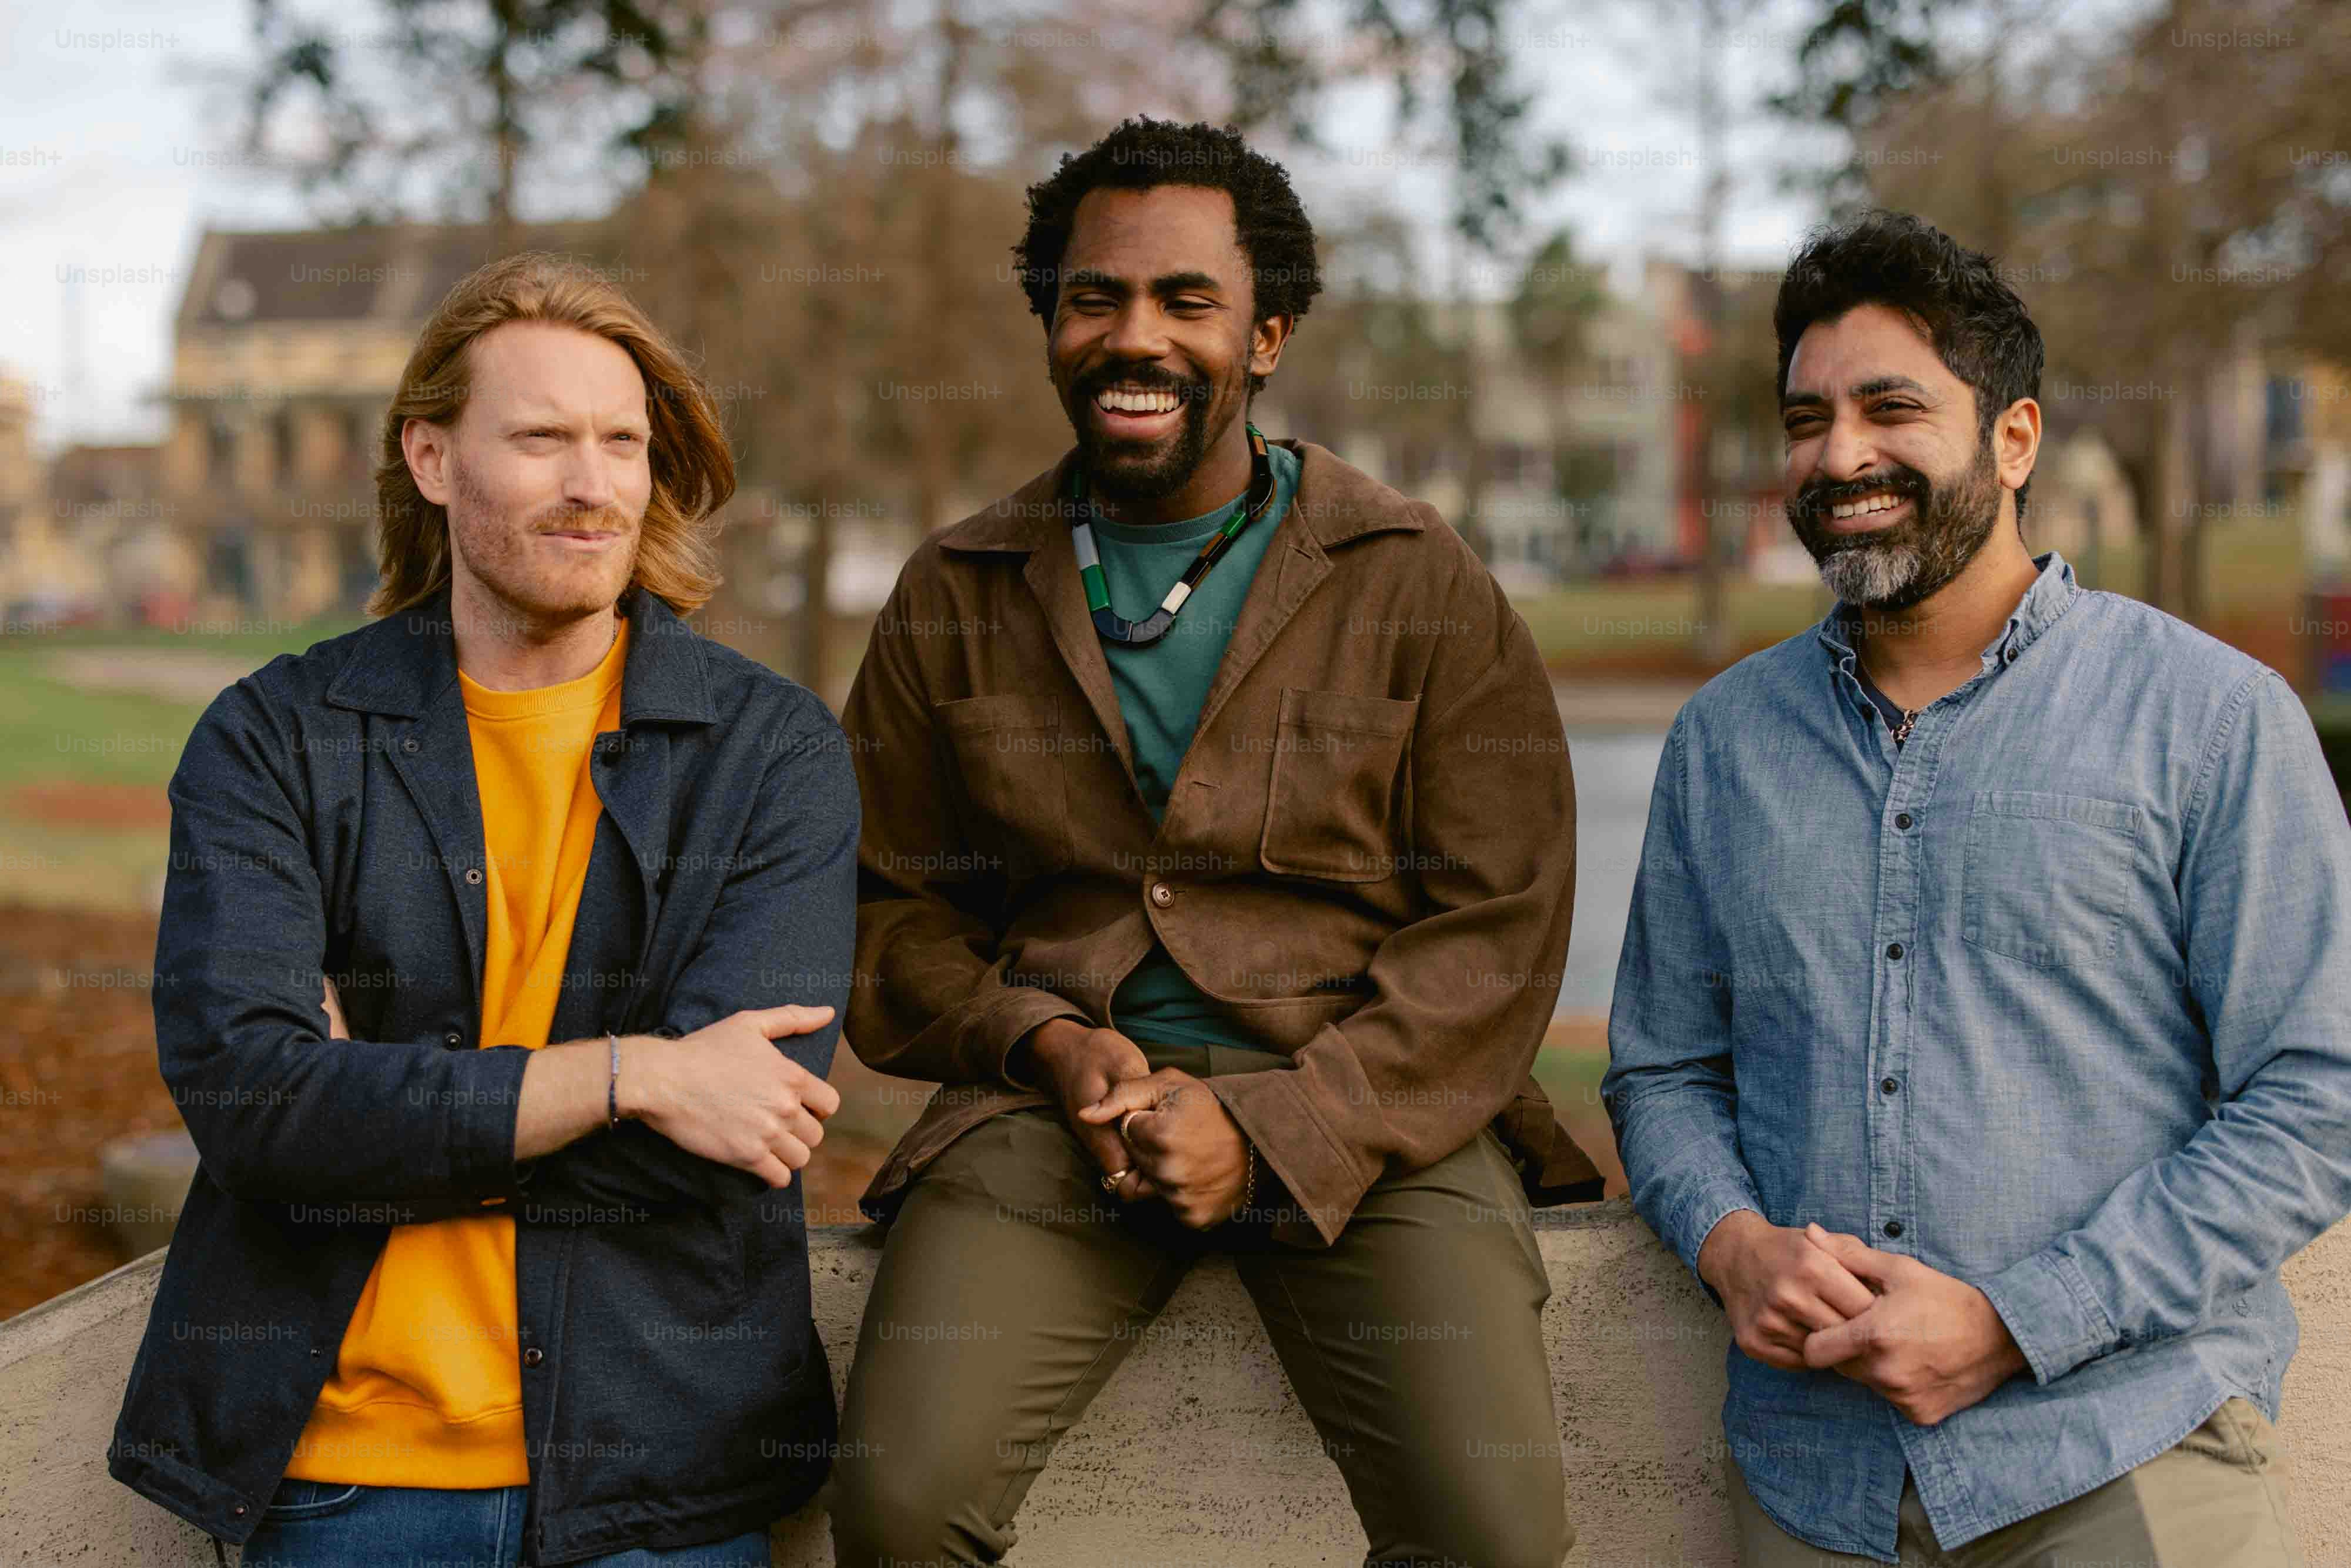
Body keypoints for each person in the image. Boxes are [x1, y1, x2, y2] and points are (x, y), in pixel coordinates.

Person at [826, 116, 1604, 1568]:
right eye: (1093, 297)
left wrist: (1271, 1129)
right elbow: (886, 911)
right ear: (1050, 323)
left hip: (1368, 1108)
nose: (1135, 337)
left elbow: (1498, 928)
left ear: (1265, 335)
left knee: (1491, 1532)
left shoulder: (1410, 577)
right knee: (893, 1504)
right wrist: (1043, 1041)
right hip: (1059, 1115)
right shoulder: (952, 590)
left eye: (1186, 301)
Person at [1605, 209, 2348, 1566]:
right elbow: (1660, 1070)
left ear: (2012, 439)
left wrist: (2019, 1318)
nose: (1840, 456)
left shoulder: (2210, 718)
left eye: (1891, 407)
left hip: (2119, 1441)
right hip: (1808, 1478)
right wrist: (1728, 1242)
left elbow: (2316, 1090)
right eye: (1805, 418)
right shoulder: (1721, 742)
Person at [107, 252, 858, 1566]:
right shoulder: (277, 738)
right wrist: (634, 1072)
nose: (593, 483)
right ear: (433, 458)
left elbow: (737, 1128)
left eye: (622, 441)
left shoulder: (772, 752)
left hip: (661, 1477)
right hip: (347, 1473)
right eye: (541, 438)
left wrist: (373, 1101)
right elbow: (255, 1107)